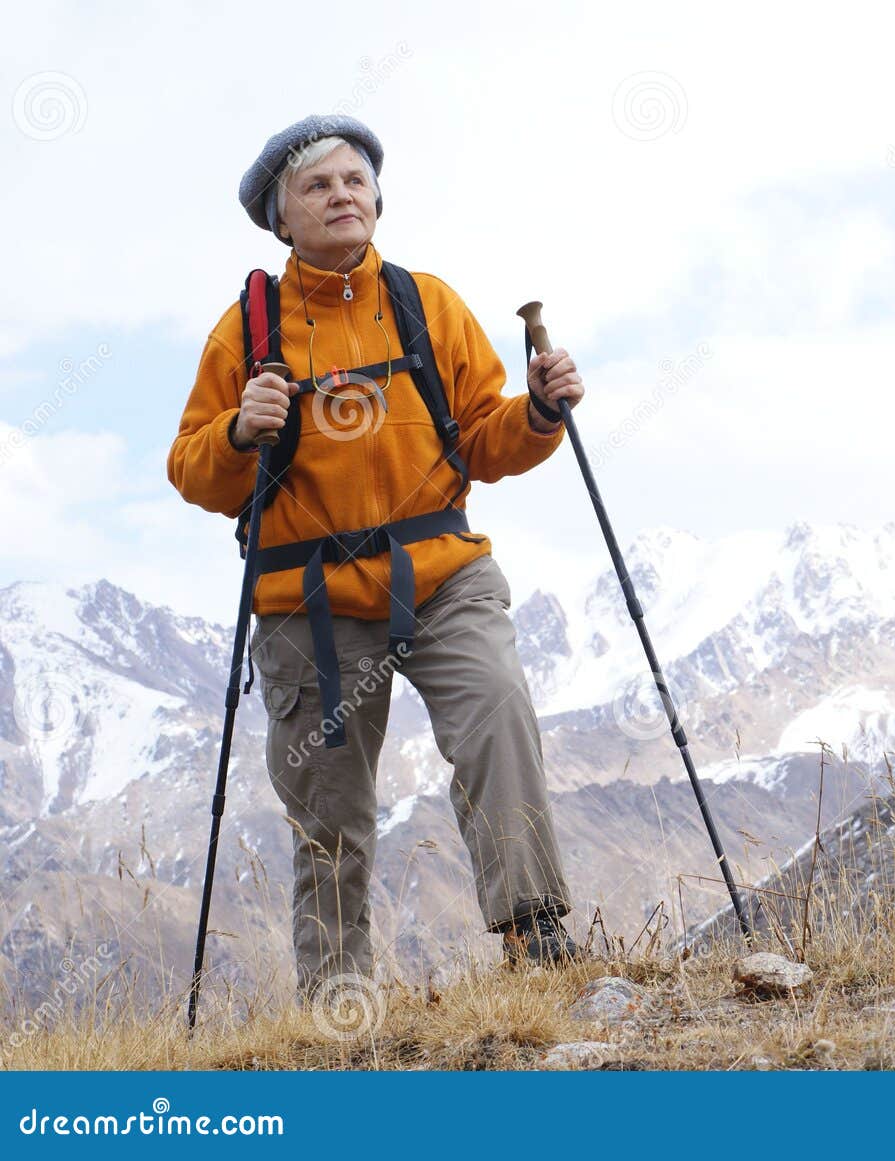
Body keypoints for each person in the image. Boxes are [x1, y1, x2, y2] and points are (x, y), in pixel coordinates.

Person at [167, 113, 584, 995]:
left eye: (354, 180)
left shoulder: (428, 304)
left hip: (443, 576)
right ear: (282, 220)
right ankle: (338, 999)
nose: (341, 195)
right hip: (306, 600)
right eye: (317, 186)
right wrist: (238, 431)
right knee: (330, 808)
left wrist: (541, 412)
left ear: (378, 199)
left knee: (498, 713)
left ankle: (536, 938)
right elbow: (192, 470)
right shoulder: (244, 333)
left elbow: (483, 437)